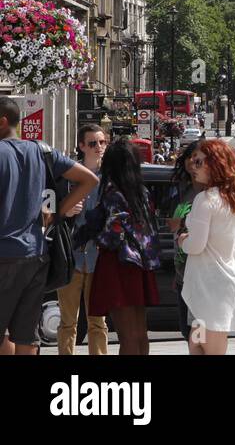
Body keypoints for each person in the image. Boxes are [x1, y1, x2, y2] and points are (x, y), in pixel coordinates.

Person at [0, 99, 98, 357]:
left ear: (2, 121)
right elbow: (89, 179)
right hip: (36, 254)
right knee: (26, 336)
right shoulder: (42, 151)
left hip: (4, 254)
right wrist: (60, 212)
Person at [179, 140, 235, 355]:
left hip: (210, 289)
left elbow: (195, 246)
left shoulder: (206, 199)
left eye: (199, 161)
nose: (194, 165)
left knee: (203, 347)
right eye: (194, 161)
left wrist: (182, 240)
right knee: (199, 344)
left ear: (215, 164)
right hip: (221, 286)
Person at [87, 139, 161, 356]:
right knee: (139, 332)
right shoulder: (142, 193)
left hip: (117, 263)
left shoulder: (113, 193)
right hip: (141, 264)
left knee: (126, 335)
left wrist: (95, 234)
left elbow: (113, 234)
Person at [56, 124, 109, 356]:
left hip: (98, 258)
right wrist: (65, 211)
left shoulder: (109, 180)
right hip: (71, 257)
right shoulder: (68, 178)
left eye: (102, 142)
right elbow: (50, 212)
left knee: (98, 322)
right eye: (92, 143)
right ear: (81, 146)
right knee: (68, 322)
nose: (98, 147)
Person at [166, 141, 205, 342]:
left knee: (198, 334)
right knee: (187, 331)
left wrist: (181, 224)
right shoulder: (184, 190)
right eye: (190, 156)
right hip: (183, 273)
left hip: (200, 277)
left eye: (197, 158)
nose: (192, 161)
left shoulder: (209, 195)